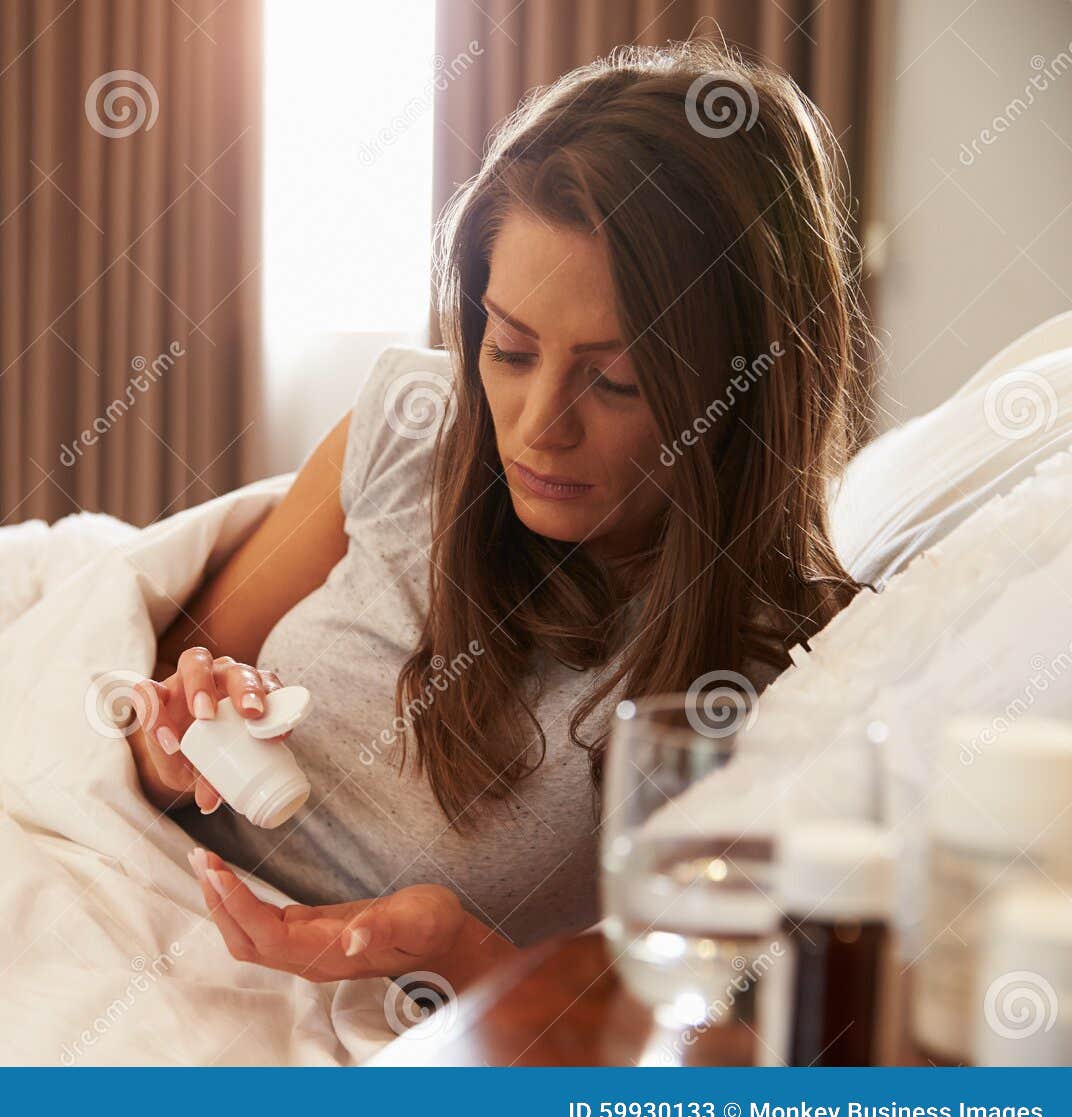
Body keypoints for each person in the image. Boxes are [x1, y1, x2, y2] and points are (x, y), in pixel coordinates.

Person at [129, 39, 874, 995]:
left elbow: (691, 1042)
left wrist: (460, 954)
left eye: (615, 380)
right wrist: (170, 740)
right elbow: (158, 700)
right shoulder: (411, 430)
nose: (536, 429)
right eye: (510, 350)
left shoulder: (774, 671)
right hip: (146, 910)